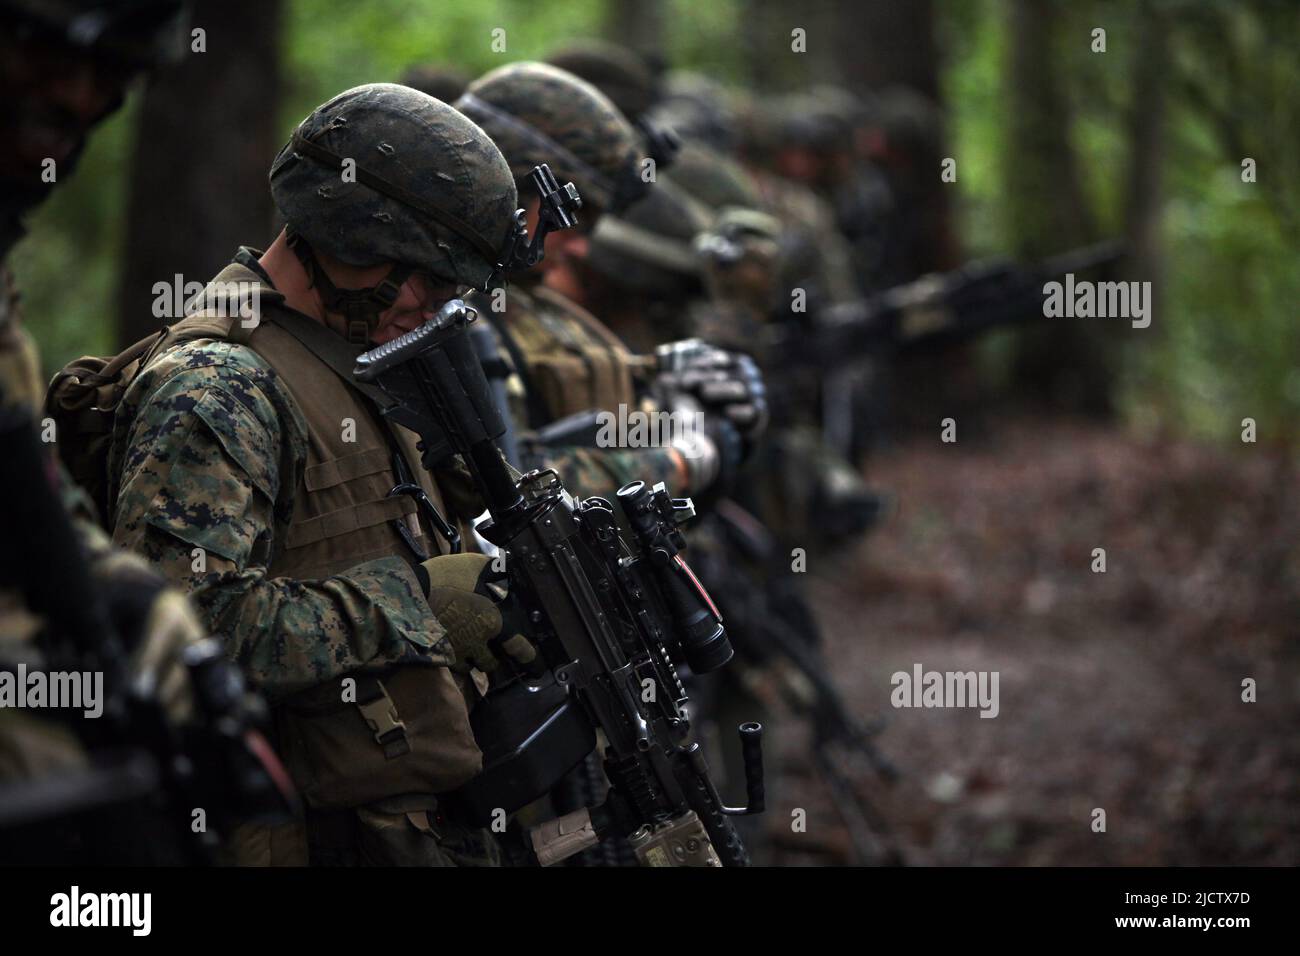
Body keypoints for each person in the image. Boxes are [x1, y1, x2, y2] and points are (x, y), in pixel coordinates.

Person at [104, 82, 533, 866]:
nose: (435, 307)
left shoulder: (353, 363)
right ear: (350, 238)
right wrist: (418, 604)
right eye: (426, 279)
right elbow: (184, 633)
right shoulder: (217, 384)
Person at [0, 0, 285, 863]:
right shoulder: (220, 379)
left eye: (110, 78)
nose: (80, 97)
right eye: (44, 61)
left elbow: (25, 495)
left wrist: (126, 604)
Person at [455, 62, 762, 501]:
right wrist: (684, 460)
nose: (580, 248)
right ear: (511, 187)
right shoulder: (435, 308)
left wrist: (670, 382)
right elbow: (510, 490)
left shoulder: (518, 301)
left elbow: (589, 400)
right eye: (573, 220)